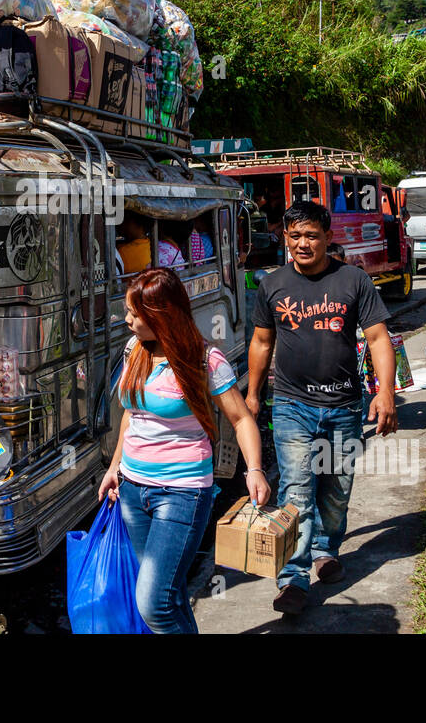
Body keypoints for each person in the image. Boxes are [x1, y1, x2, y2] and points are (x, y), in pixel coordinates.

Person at [245, 200, 398, 617]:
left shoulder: (353, 280)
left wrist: (386, 392)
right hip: (293, 406)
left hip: (345, 405)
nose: (303, 244)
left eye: (311, 235)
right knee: (297, 492)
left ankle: (325, 550)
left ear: (329, 237)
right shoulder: (273, 284)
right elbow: (261, 343)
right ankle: (292, 579)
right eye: (294, 236)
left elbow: (379, 337)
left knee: (336, 489)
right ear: (285, 239)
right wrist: (254, 393)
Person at [98, 268, 269, 633]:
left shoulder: (206, 359)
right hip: (132, 489)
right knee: (169, 595)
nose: (126, 320)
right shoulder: (135, 350)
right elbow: (133, 414)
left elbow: (240, 419)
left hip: (182, 492)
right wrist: (115, 467)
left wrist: (254, 468)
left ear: (161, 315)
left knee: (153, 603)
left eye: (134, 313)